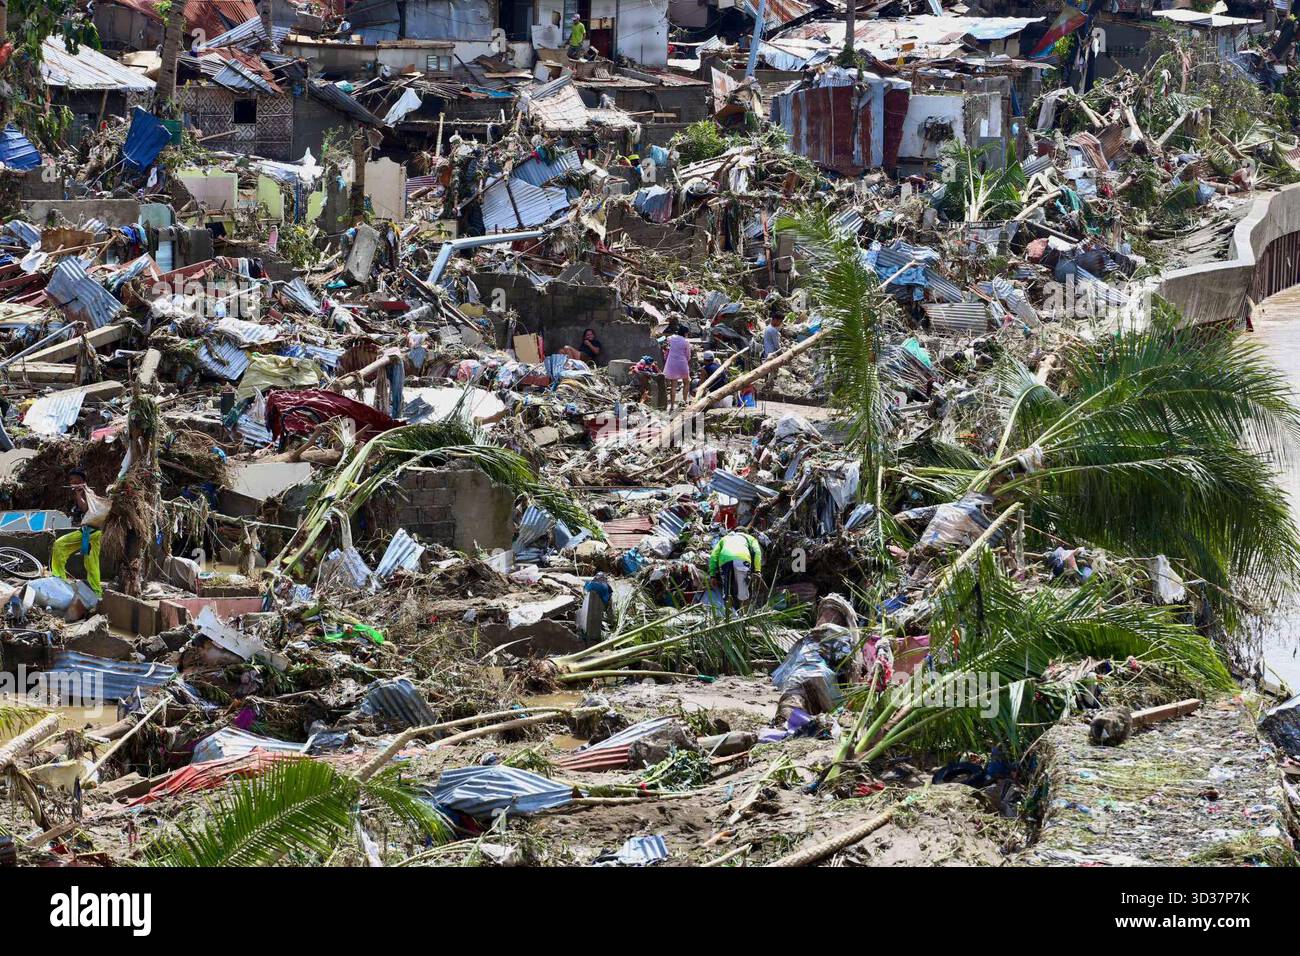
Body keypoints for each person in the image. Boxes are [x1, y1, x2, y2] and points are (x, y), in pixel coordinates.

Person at [50, 468, 110, 596]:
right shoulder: (83, 491)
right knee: (90, 562)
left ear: (80, 479)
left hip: (91, 532)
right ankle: (96, 592)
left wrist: (78, 495)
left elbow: (86, 509)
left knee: (60, 545)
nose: (71, 482)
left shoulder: (88, 492)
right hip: (91, 532)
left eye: (72, 479)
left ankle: (60, 578)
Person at [708, 529, 763, 610]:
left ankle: (729, 615)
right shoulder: (750, 538)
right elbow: (757, 552)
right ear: (744, 532)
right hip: (742, 559)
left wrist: (712, 575)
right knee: (743, 593)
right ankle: (744, 616)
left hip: (724, 560)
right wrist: (757, 570)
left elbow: (713, 556)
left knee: (727, 593)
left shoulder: (724, 539)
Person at [662, 326, 692, 412]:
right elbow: (688, 355)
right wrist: (686, 359)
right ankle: (685, 401)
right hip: (682, 363)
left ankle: (671, 406)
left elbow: (667, 339)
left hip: (672, 363)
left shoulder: (672, 338)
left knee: (673, 385)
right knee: (686, 382)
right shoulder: (686, 342)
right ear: (685, 333)